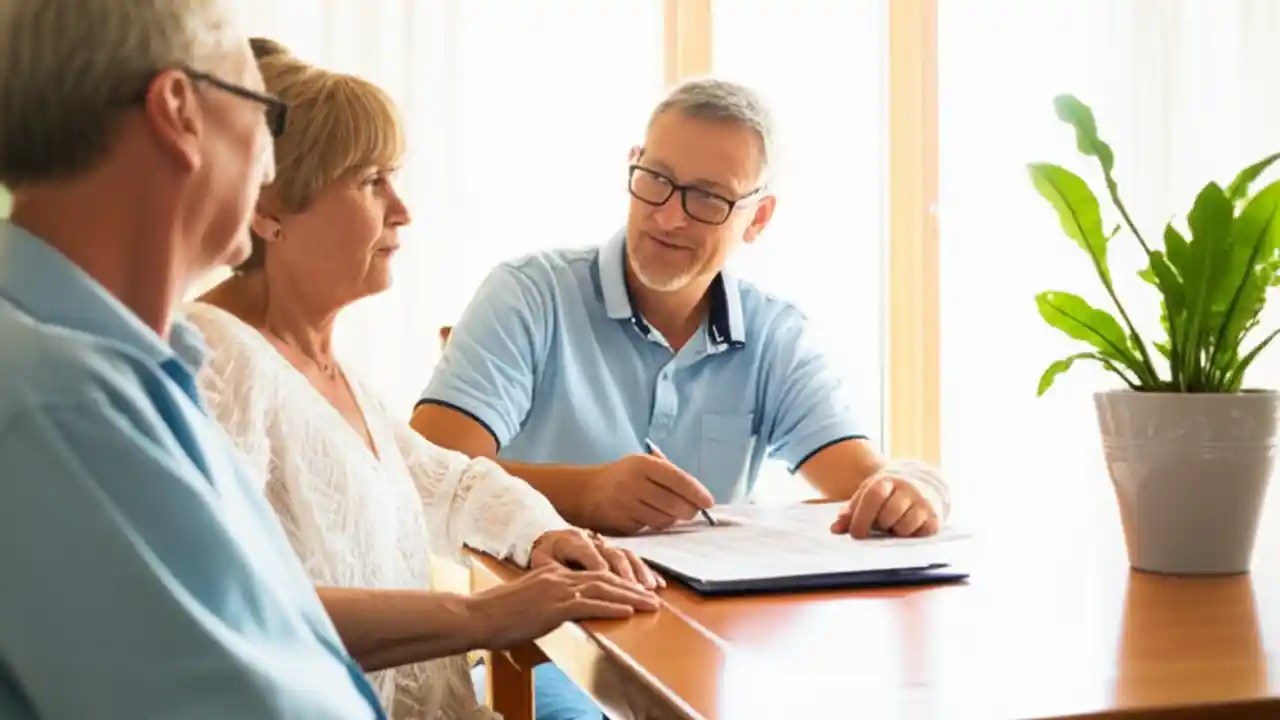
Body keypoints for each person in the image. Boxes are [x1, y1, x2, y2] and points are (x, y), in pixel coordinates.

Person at [411, 77, 953, 718]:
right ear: (631, 168)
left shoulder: (776, 333)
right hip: (543, 652)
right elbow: (425, 469)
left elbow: (863, 483)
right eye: (657, 180)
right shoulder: (529, 297)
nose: (668, 216)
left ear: (760, 217)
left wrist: (914, 491)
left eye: (708, 199)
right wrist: (587, 495)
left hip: (708, 651)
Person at [185, 41, 661, 720]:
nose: (402, 210)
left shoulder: (327, 364)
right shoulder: (219, 357)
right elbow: (229, 604)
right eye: (370, 181)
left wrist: (545, 535)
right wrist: (478, 616)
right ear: (269, 209)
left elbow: (449, 481)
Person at [0, 1, 388, 717]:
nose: (272, 162)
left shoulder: (124, 366)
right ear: (179, 111)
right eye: (268, 114)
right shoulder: (55, 400)